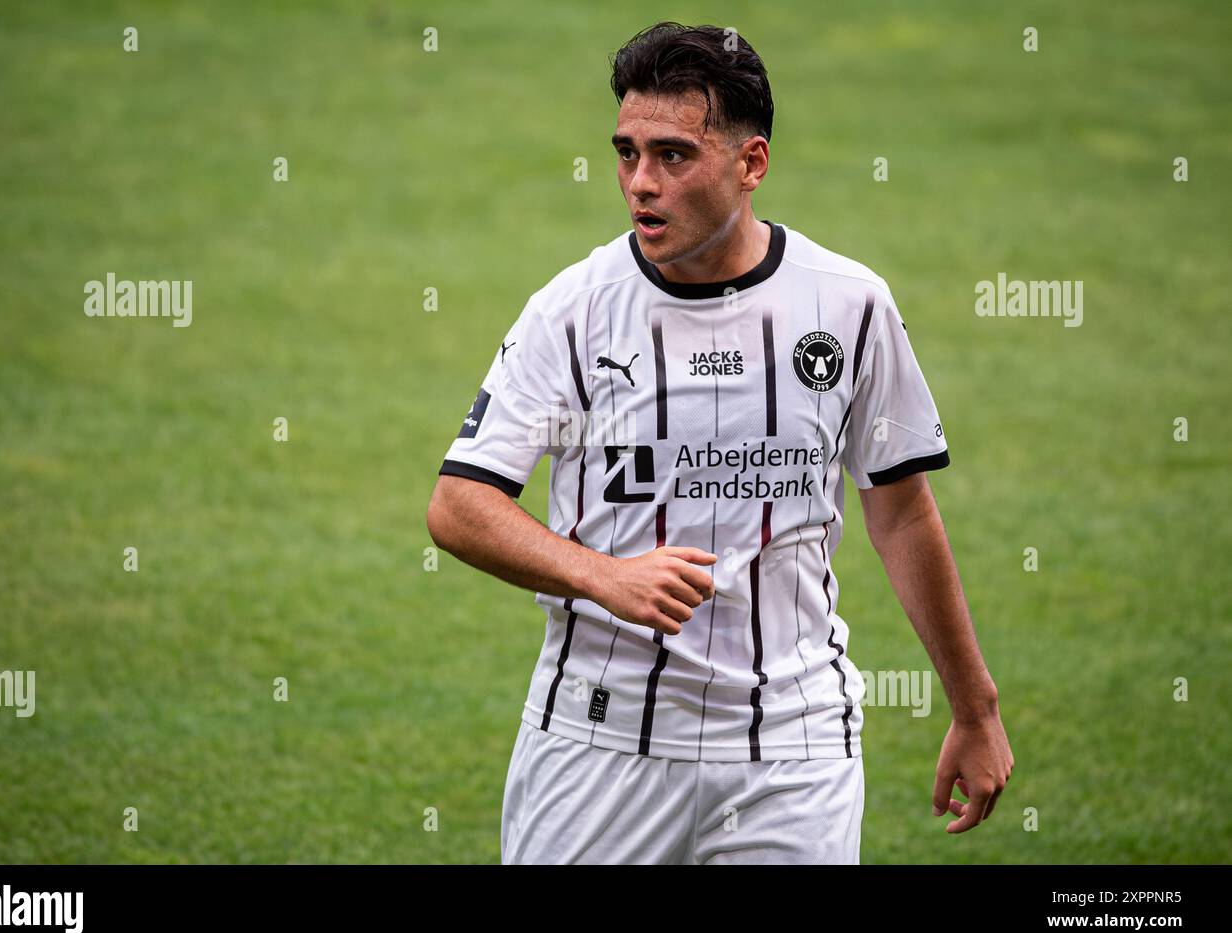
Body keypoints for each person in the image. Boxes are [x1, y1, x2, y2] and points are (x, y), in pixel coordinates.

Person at [426, 21, 1013, 864]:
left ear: (752, 164)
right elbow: (458, 505)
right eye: (626, 153)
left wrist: (974, 705)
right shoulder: (572, 310)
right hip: (599, 742)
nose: (640, 183)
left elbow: (901, 511)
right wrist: (601, 574)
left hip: (791, 747)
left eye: (672, 155)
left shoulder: (848, 306)